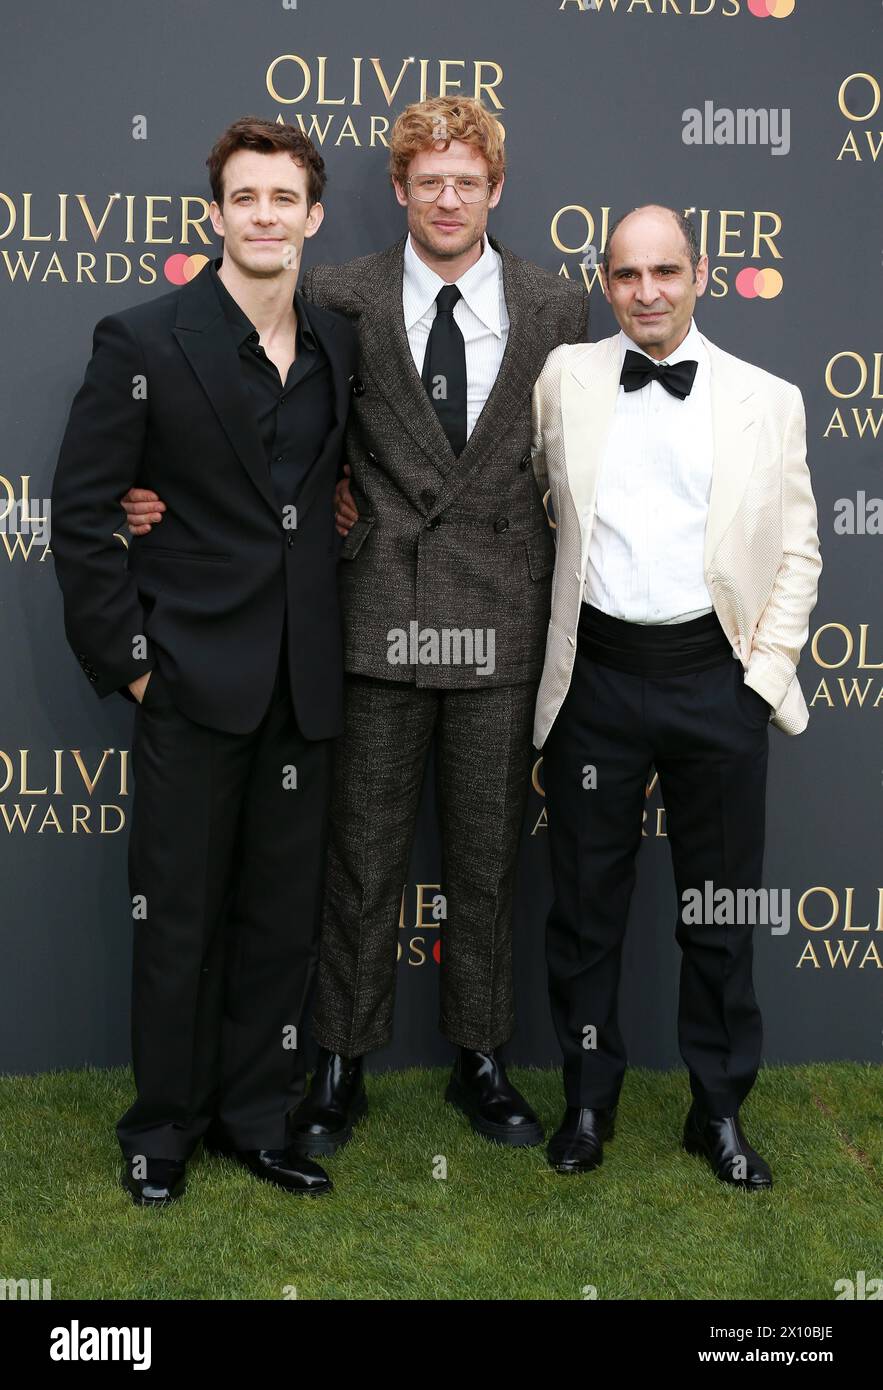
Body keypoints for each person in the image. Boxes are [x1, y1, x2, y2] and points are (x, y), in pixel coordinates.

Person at [122, 96, 589, 1155]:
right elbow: (252, 437)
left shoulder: (560, 307)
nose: (447, 196)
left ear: (496, 189)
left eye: (466, 179)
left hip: (498, 626)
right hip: (372, 619)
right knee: (358, 862)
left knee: (487, 863)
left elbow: (580, 462)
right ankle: (335, 1061)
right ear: (396, 191)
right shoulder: (335, 297)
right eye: (427, 178)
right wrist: (144, 500)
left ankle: (480, 1058)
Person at [51, 117, 357, 1205]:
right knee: (176, 921)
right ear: (216, 214)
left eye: (285, 198)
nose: (266, 216)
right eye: (246, 198)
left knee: (279, 925)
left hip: (303, 687)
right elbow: (84, 516)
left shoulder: (337, 347)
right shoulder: (140, 341)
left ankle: (257, 1117)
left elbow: (329, 501)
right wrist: (136, 664)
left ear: (313, 217)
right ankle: (161, 1130)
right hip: (188, 680)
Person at [531, 204, 821, 1188]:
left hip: (715, 684)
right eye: (626, 275)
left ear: (699, 272)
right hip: (596, 682)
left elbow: (797, 552)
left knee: (720, 908)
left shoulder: (766, 398)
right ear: (604, 282)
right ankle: (584, 1101)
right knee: (582, 909)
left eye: (664, 271)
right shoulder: (564, 380)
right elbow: (538, 502)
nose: (646, 291)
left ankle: (719, 1109)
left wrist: (758, 684)